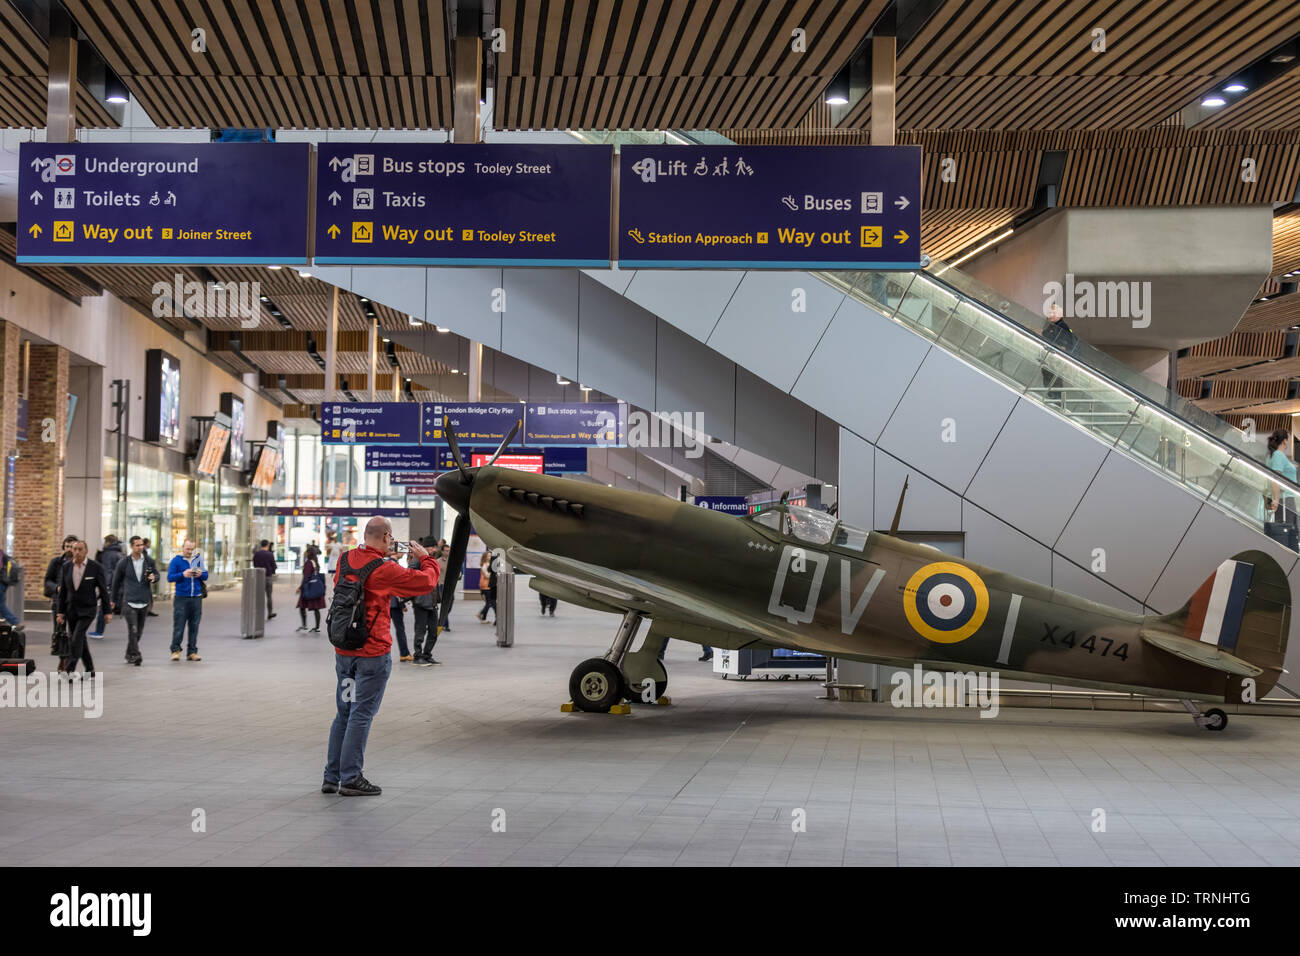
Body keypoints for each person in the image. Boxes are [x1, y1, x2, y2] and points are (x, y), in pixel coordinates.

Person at [323, 516, 439, 796]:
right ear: (387, 537)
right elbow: (426, 583)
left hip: (344, 651)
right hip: (372, 654)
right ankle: (351, 778)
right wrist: (425, 558)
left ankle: (332, 776)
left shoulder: (345, 559)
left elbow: (358, 584)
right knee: (361, 715)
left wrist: (387, 559)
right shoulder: (385, 570)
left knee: (344, 713)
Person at [56, 540, 111, 676]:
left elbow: (103, 591)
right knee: (80, 639)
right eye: (75, 549)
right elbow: (63, 592)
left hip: (88, 609)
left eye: (80, 549)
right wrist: (60, 612)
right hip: (71, 610)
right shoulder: (67, 567)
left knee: (76, 638)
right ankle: (90, 669)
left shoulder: (95, 567)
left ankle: (70, 669)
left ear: (86, 551)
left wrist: (107, 612)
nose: (77, 552)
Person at [111, 535, 157, 665]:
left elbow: (156, 574)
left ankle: (129, 653)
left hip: (143, 601)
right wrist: (112, 600)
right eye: (137, 545)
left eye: (141, 545)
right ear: (131, 546)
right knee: (133, 629)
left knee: (139, 632)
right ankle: (136, 655)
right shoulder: (123, 563)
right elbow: (115, 582)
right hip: (129, 601)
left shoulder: (149, 561)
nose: (140, 547)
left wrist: (154, 577)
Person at [167, 538, 207, 661]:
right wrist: (182, 574)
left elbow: (206, 575)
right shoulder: (176, 561)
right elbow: (170, 577)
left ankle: (192, 652)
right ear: (182, 548)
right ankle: (175, 650)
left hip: (196, 597)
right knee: (179, 625)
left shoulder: (198, 560)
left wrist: (201, 574)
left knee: (194, 625)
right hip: (181, 598)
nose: (189, 551)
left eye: (191, 549)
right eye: (187, 549)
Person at [44, 535, 78, 666]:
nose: (69, 549)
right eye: (67, 546)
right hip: (59, 602)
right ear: (63, 547)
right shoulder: (56, 562)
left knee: (74, 632)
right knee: (60, 631)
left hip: (75, 602)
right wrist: (56, 588)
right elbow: (48, 580)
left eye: (72, 546)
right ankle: (62, 659)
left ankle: (70, 658)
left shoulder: (80, 563)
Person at [1263, 429, 1299, 549]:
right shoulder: (1278, 455)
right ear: (1285, 441)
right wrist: (1276, 499)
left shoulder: (1275, 455)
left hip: (1286, 499)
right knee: (1288, 534)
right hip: (1285, 500)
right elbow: (1276, 478)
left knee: (1290, 533)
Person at [410, 537, 441, 666]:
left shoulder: (431, 559)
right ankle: (417, 656)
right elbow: (411, 575)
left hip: (432, 602)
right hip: (421, 601)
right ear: (426, 548)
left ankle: (427, 654)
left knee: (434, 631)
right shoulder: (416, 561)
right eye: (432, 547)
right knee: (420, 630)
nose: (434, 550)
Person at [1040, 303, 1078, 403]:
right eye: (1049, 312)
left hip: (1055, 361)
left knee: (1053, 380)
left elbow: (1063, 344)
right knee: (1049, 378)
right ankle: (1053, 398)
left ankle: (1055, 400)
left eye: (1053, 312)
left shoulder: (1062, 327)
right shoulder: (1055, 326)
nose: (1049, 314)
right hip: (1051, 359)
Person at [90, 534, 124, 638]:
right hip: (117, 584)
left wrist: (105, 585)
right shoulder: (120, 553)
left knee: (103, 607)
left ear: (108, 542)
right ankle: (99, 630)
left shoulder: (108, 554)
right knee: (106, 606)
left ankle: (99, 631)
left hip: (109, 584)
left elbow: (108, 571)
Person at [297, 544, 326, 632]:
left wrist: (300, 587)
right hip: (316, 588)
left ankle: (304, 625)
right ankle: (317, 627)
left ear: (309, 553)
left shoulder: (308, 563)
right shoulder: (315, 562)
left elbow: (306, 576)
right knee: (316, 608)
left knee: (302, 606)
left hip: (309, 588)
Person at [252, 540, 278, 619]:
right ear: (267, 545)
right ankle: (270, 613)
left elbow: (254, 564)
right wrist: (272, 571)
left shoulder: (256, 554)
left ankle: (258, 613)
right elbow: (274, 565)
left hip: (259, 577)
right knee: (269, 596)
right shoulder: (270, 554)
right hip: (268, 576)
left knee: (259, 596)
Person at [0, 547, 21, 626]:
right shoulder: (2, 553)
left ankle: (15, 622)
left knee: (1, 605)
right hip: (4, 582)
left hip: (1, 582)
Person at [476, 551, 498, 625]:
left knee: (489, 603)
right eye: (488, 556)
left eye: (490, 556)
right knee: (490, 602)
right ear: (485, 557)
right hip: (485, 586)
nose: (490, 557)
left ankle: (483, 617)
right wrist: (494, 575)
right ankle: (481, 615)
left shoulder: (489, 564)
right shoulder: (485, 565)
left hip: (488, 586)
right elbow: (486, 575)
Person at [142, 538, 159, 617]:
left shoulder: (146, 553)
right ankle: (147, 610)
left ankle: (147, 609)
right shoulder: (144, 553)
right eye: (149, 543)